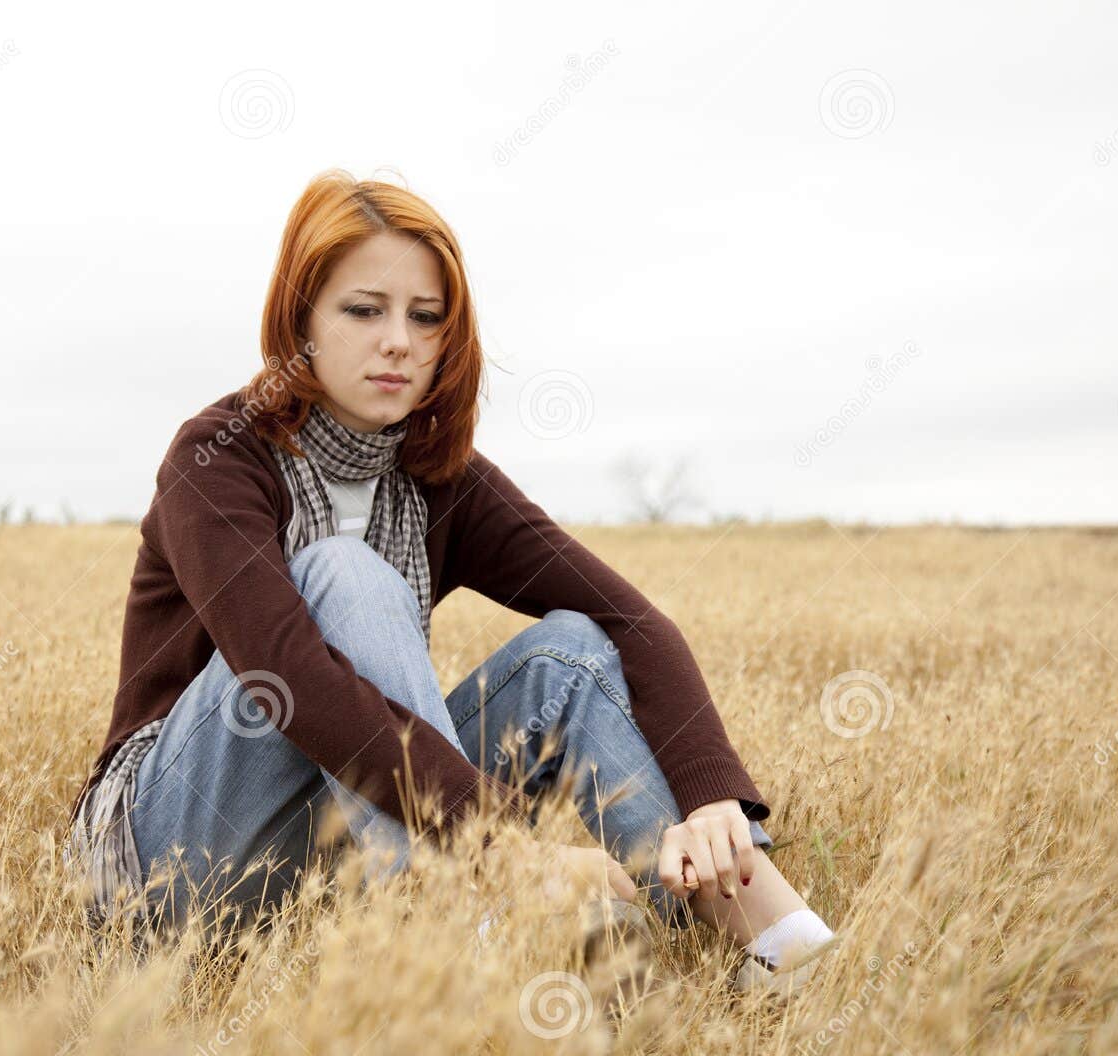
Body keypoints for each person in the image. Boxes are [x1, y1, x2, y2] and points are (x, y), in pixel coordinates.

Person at [63, 168, 838, 993]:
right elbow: (290, 677)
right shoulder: (219, 457)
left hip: (333, 848)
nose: (398, 340)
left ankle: (775, 943)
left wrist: (714, 798)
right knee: (342, 572)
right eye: (364, 310)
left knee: (570, 652)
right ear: (301, 320)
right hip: (165, 863)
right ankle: (478, 932)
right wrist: (501, 846)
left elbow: (631, 621)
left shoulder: (439, 479)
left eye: (425, 316)